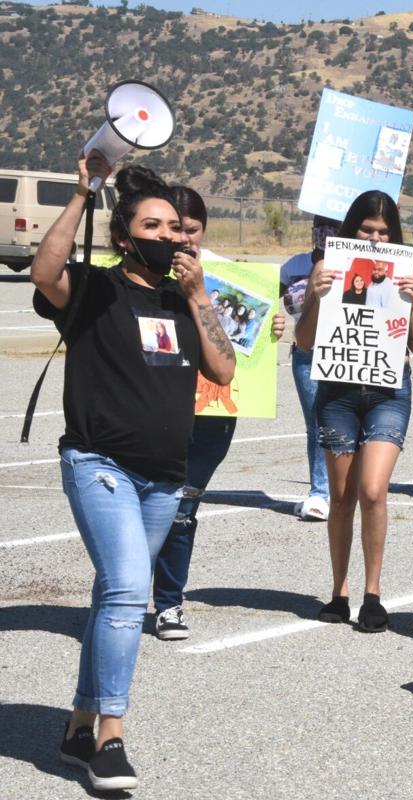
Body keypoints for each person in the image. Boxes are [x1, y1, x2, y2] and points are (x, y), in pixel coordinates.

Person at [33, 157, 235, 791]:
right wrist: (82, 194)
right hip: (100, 463)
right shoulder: (96, 289)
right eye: (153, 226)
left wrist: (199, 295)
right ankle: (110, 737)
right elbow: (44, 272)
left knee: (111, 598)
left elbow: (224, 369)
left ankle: (78, 726)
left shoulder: (183, 298)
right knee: (126, 590)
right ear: (124, 237)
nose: (168, 236)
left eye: (176, 227)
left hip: (163, 478)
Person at [295, 190, 413, 632]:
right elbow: (303, 341)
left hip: (388, 393)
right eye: (366, 230)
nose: (374, 238)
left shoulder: (407, 273)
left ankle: (373, 593)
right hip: (338, 393)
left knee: (373, 490)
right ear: (351, 230)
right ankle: (340, 591)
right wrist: (317, 297)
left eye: (383, 232)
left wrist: (412, 304)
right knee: (341, 497)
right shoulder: (326, 268)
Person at [152, 185, 270, 642]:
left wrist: (270, 329)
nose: (182, 238)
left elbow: (246, 348)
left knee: (183, 507)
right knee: (147, 506)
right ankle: (123, 595)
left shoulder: (227, 276)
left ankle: (168, 604)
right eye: (173, 229)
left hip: (211, 412)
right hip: (155, 407)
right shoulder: (144, 273)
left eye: (192, 229)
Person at [279, 215, 339, 522]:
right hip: (306, 353)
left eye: (333, 228)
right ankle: (320, 493)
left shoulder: (352, 263)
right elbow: (263, 300)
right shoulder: (294, 266)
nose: (325, 234)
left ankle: (336, 489)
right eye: (320, 228)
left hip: (341, 352)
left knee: (339, 421)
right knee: (316, 422)